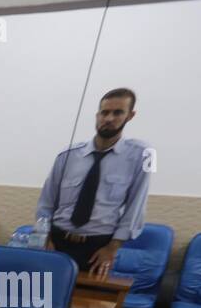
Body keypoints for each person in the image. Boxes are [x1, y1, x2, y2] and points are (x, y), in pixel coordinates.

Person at [37, 88, 150, 276]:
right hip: (56, 242)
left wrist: (112, 248)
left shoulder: (141, 155)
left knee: (88, 304)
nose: (109, 119)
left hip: (98, 249)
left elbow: (136, 207)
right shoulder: (67, 155)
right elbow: (46, 202)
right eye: (105, 112)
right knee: (43, 299)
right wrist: (44, 238)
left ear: (130, 116)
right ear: (97, 115)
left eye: (118, 112)